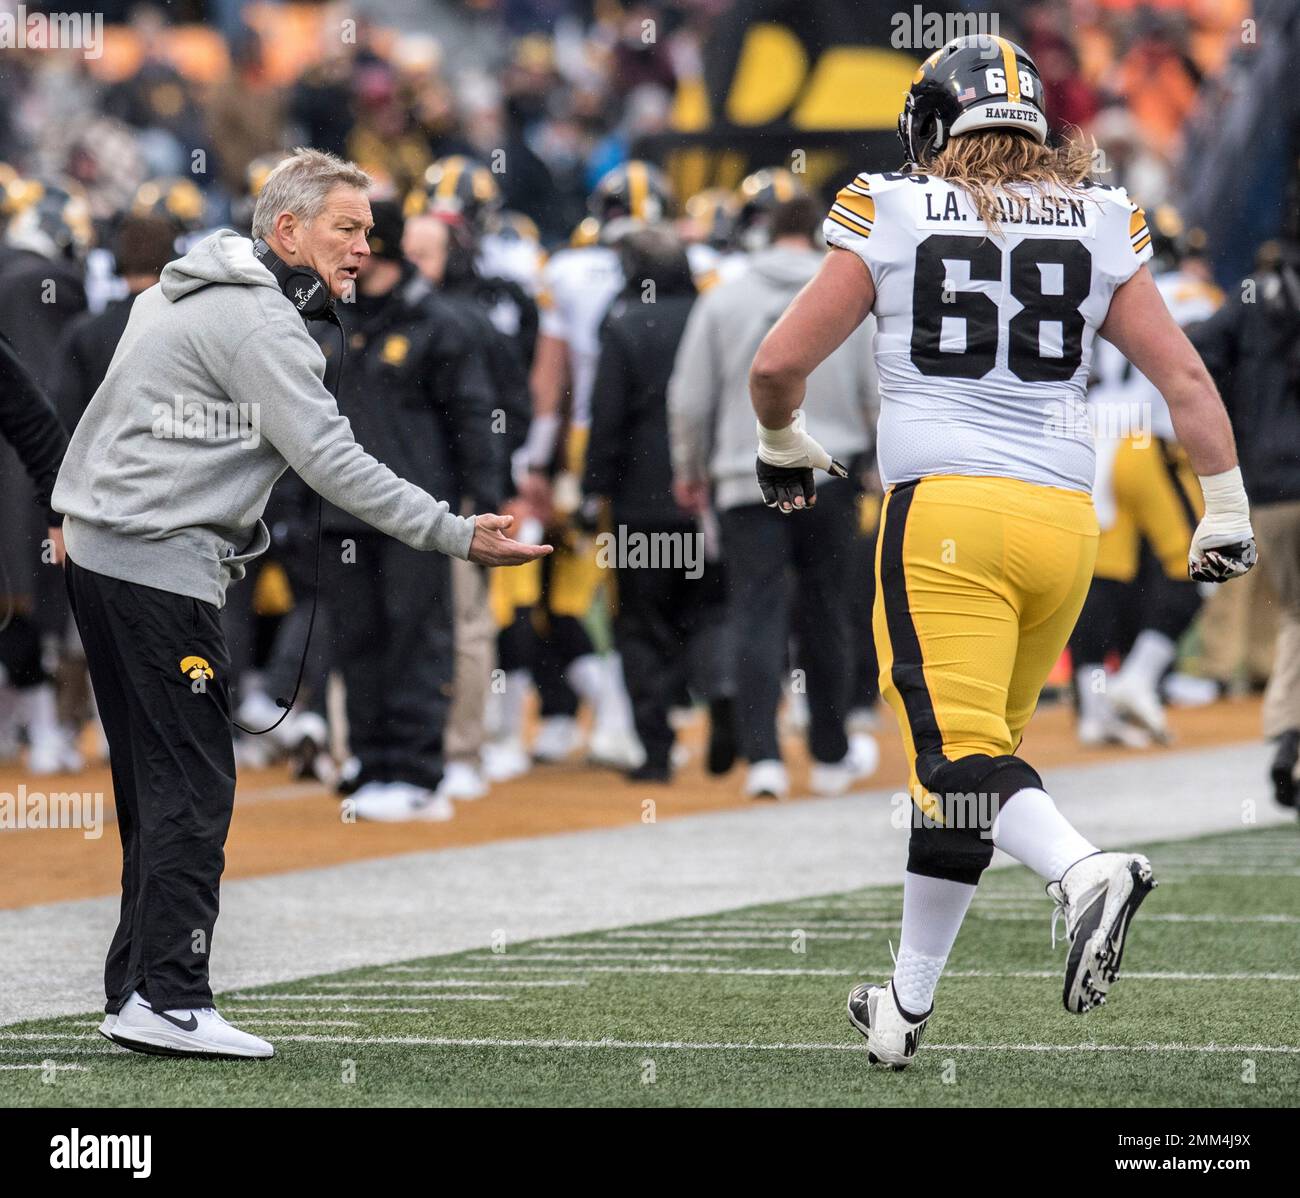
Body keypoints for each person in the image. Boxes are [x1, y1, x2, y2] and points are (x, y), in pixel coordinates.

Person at [747, 37, 1256, 1069]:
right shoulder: (1103, 217)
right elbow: (1188, 383)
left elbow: (776, 362)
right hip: (1066, 523)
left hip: (947, 515)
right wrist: (1223, 507)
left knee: (953, 757)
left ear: (934, 126)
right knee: (964, 779)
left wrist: (778, 440)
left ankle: (1079, 871)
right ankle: (904, 1004)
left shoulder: (887, 206)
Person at [52, 147, 549, 1062]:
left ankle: (137, 987)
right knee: (195, 785)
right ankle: (170, 993)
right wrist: (455, 532)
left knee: (154, 783)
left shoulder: (179, 291)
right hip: (157, 566)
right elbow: (335, 463)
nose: (366, 245)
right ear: (287, 231)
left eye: (368, 229)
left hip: (107, 556)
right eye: (346, 228)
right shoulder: (260, 323)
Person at [670, 193, 879, 800]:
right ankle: (831, 751)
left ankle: (764, 756)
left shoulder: (723, 298)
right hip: (827, 472)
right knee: (827, 612)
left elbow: (689, 399)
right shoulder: (849, 298)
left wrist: (691, 467)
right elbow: (877, 393)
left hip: (745, 473)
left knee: (754, 614)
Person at [314, 199, 502, 821]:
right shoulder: (328, 319)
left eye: (354, 236)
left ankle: (420, 772)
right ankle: (372, 763)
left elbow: (475, 417)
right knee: (357, 643)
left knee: (419, 640)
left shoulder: (439, 323)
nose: (347, 251)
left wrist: (485, 498)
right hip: (342, 515)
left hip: (418, 514)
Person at [583, 226, 730, 782]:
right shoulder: (711, 316)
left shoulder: (625, 324)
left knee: (643, 626)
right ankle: (721, 690)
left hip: (642, 501)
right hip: (709, 494)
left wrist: (593, 485)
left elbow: (607, 416)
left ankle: (655, 751)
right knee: (711, 611)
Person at [1192, 236, 1300, 811]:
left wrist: (1248, 416)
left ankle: (1287, 734)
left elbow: (1197, 353)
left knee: (1294, 615)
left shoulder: (1251, 299)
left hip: (1276, 483)